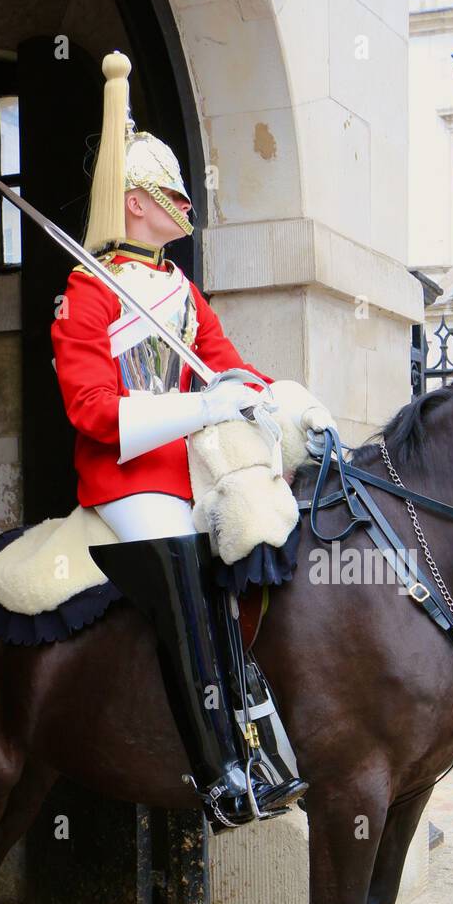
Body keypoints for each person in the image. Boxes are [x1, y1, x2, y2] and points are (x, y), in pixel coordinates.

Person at [51, 51, 306, 826]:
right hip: (126, 481)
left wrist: (275, 400)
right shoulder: (84, 293)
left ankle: (255, 717)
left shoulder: (182, 290)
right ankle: (218, 769)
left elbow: (227, 365)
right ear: (134, 202)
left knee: (261, 536)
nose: (185, 204)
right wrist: (203, 409)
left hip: (191, 473)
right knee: (184, 566)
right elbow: (94, 412)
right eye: (169, 193)